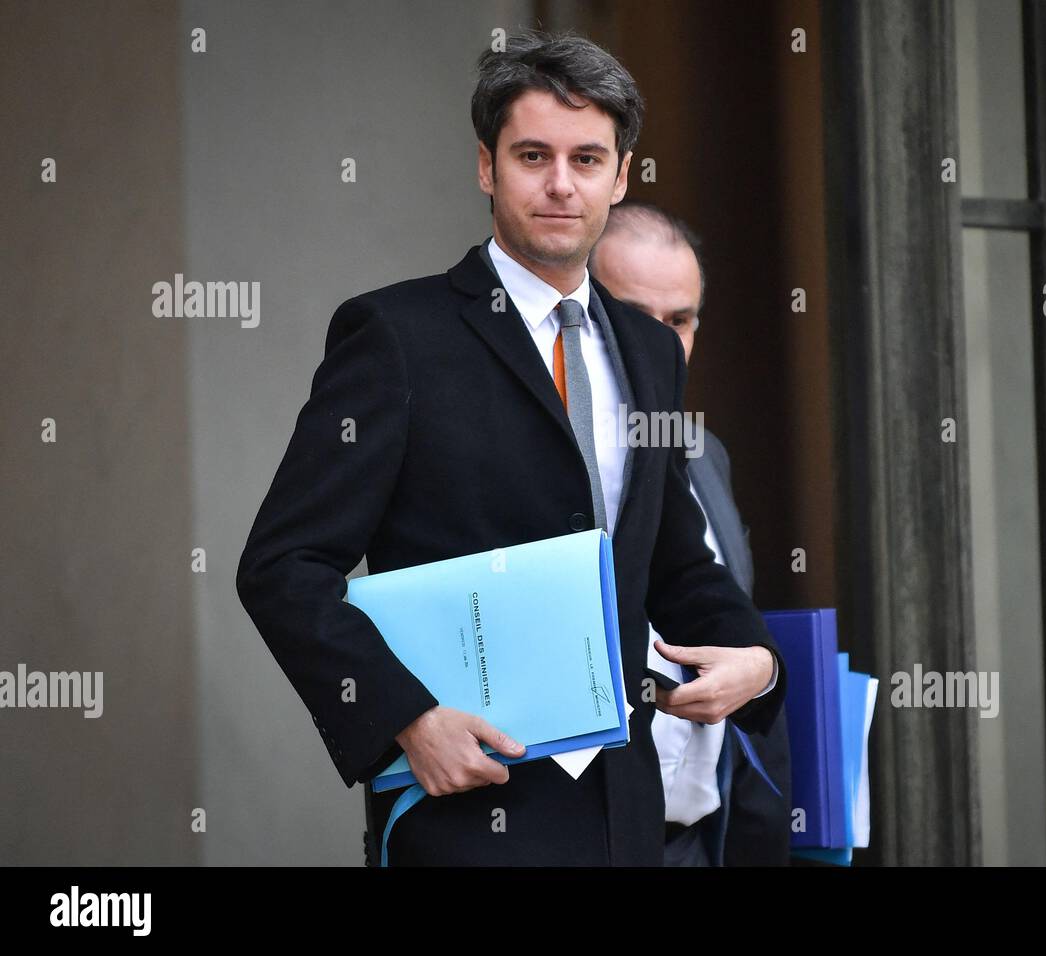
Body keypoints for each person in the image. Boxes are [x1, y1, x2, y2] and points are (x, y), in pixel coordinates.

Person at [234, 29, 785, 866]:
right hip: (465, 811)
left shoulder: (648, 351)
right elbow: (285, 565)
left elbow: (671, 557)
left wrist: (756, 657)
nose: (561, 184)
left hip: (625, 817)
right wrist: (404, 719)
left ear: (621, 176)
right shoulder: (395, 337)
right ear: (487, 168)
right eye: (533, 155)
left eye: (588, 159)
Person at [590, 201, 792, 866]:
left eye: (680, 321)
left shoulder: (706, 455)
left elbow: (722, 616)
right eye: (636, 319)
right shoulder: (541, 448)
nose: (662, 346)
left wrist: (759, 670)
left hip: (703, 836)